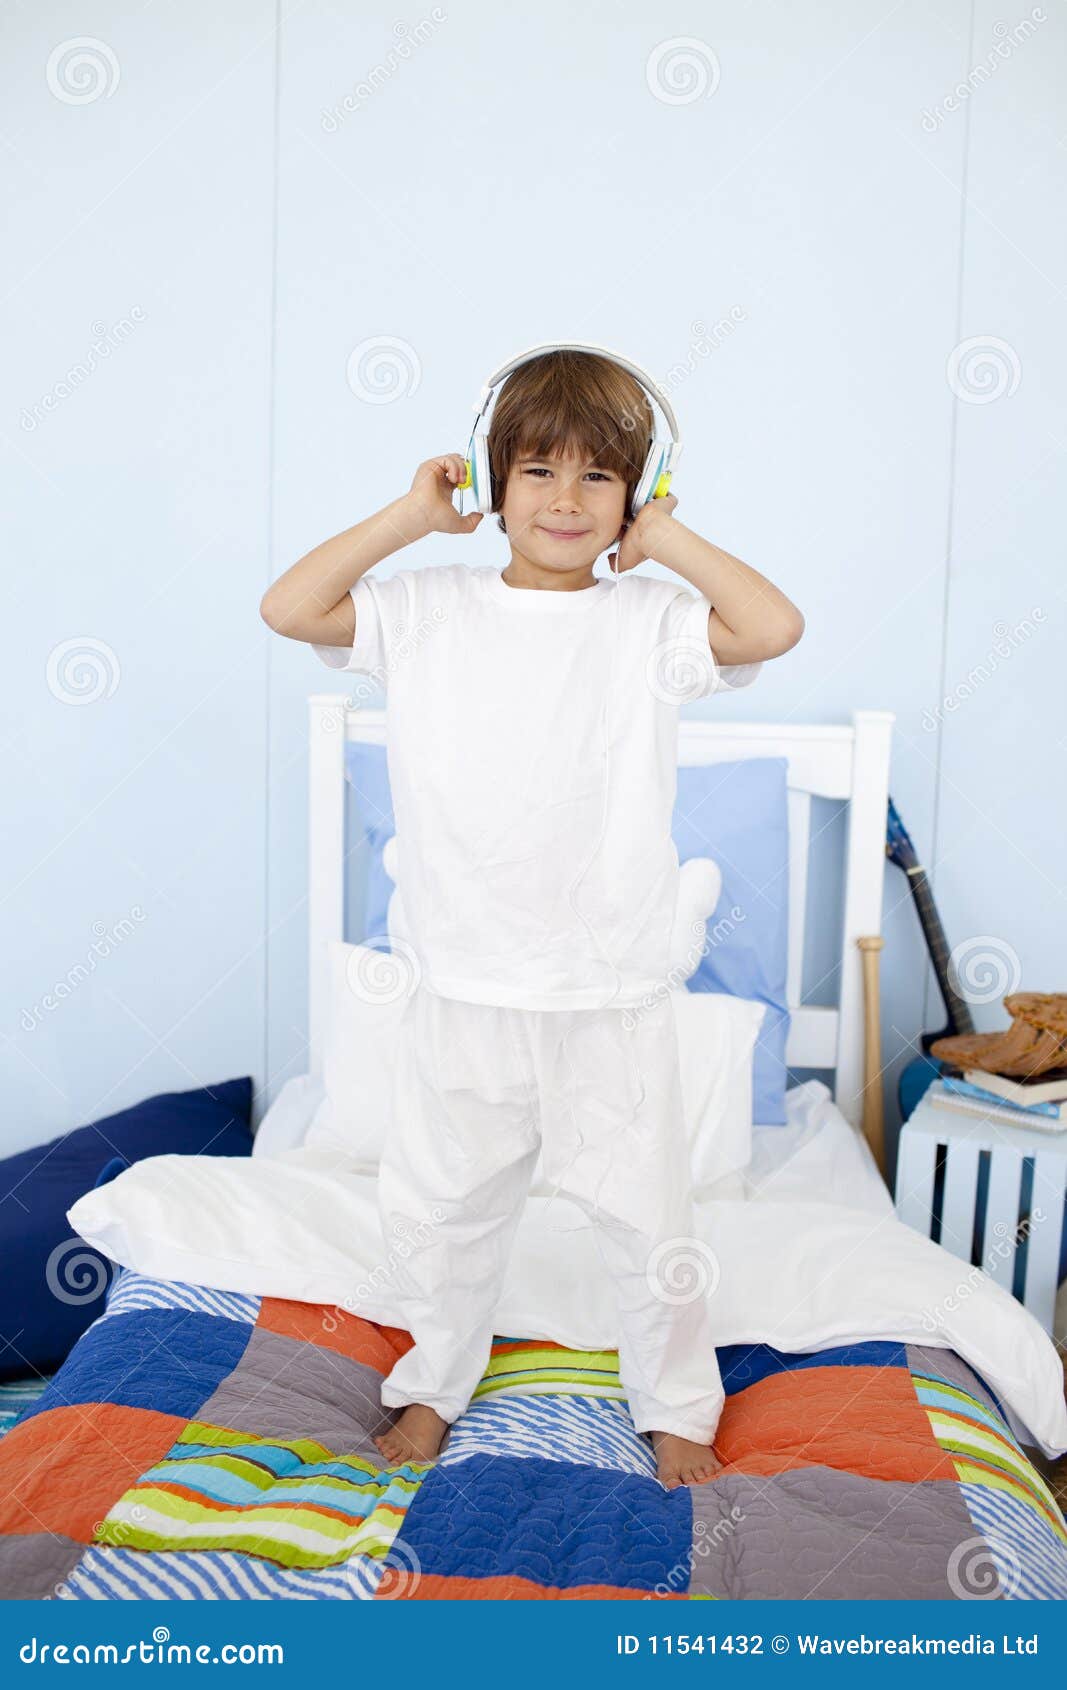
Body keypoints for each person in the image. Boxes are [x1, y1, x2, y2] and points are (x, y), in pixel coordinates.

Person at [260, 349, 804, 1489]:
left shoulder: (650, 622)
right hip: (463, 984)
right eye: (538, 469)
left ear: (636, 494)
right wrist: (413, 516)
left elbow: (770, 626)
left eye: (598, 479)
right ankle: (430, 1385)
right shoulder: (423, 612)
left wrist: (667, 541)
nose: (564, 499)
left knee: (647, 1224)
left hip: (608, 991)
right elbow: (287, 606)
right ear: (490, 480)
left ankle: (673, 1407)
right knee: (444, 1213)